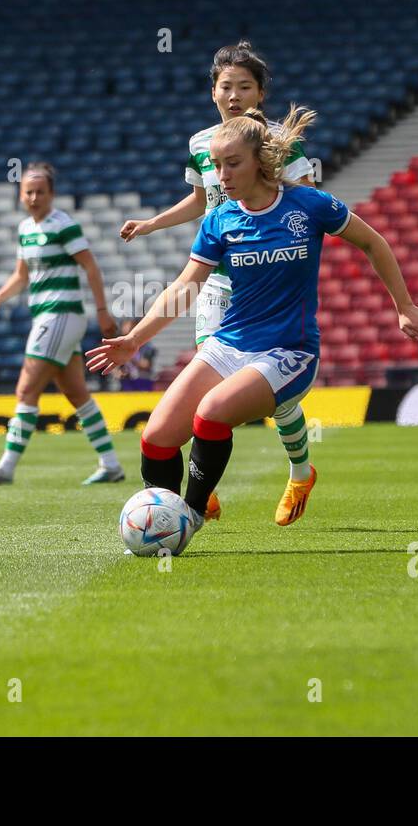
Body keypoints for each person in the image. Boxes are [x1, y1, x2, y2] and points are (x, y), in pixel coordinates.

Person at [88, 106, 418, 527]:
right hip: (229, 344)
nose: (221, 175)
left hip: (289, 351)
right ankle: (158, 521)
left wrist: (405, 306)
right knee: (157, 438)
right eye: (216, 165)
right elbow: (185, 287)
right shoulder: (219, 219)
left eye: (232, 163)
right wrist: (135, 340)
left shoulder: (310, 205)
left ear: (261, 160)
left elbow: (373, 243)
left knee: (211, 413)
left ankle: (189, 518)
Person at [119, 40, 318, 519]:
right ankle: (198, 491)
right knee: (213, 382)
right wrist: (153, 223)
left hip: (265, 283)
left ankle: (300, 470)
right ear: (212, 92)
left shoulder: (279, 144)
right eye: (225, 87)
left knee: (269, 397)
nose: (234, 96)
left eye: (244, 87)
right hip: (217, 282)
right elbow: (198, 201)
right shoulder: (202, 144)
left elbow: (305, 205)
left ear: (261, 93)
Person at [0, 162, 124, 486]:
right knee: (76, 392)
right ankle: (110, 464)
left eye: (40, 191)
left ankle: (6, 467)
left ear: (52, 194)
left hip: (60, 314)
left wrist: (102, 311)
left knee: (26, 388)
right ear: (20, 195)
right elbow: (21, 275)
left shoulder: (62, 225)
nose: (34, 197)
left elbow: (91, 268)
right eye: (29, 191)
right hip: (48, 316)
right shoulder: (26, 228)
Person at [114, 319, 156, 391]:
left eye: (131, 326)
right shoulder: (119, 346)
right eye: (125, 325)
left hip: (142, 382)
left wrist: (129, 356)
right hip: (126, 383)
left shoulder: (147, 346)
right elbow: (115, 367)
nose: (127, 328)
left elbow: (145, 365)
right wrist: (118, 372)